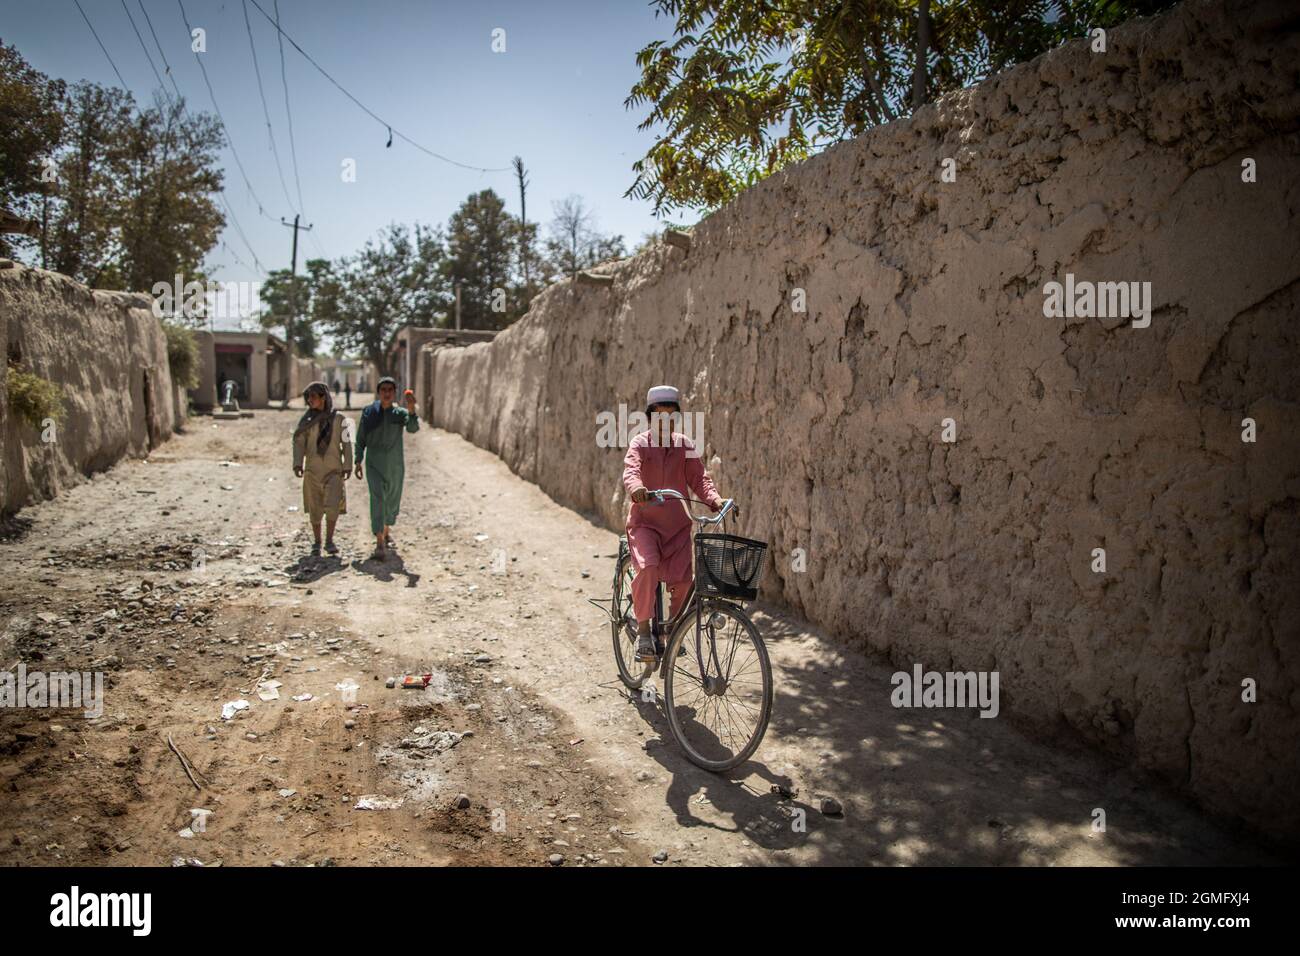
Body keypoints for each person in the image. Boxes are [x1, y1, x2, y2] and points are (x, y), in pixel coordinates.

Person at [622, 385, 732, 661]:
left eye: (671, 416)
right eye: (660, 416)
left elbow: (699, 479)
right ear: (650, 418)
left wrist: (714, 499)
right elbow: (631, 470)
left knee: (684, 582)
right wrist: (636, 487)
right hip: (645, 524)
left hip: (677, 527)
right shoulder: (640, 444)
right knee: (647, 568)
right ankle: (645, 632)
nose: (665, 422)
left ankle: (670, 632)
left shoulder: (684, 445)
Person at [354, 377, 419, 560]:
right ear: (378, 392)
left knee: (391, 502)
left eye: (390, 389)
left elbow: (413, 428)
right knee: (378, 500)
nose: (387, 392)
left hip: (395, 467)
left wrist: (412, 408)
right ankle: (380, 542)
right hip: (374, 464)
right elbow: (360, 439)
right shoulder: (368, 413)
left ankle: (386, 528)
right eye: (383, 389)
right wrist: (358, 460)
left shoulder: (399, 413)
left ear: (394, 392)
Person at [292, 381, 352, 556]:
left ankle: (329, 540)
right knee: (315, 506)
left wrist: (347, 465)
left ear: (323, 398)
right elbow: (298, 442)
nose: (310, 400)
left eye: (313, 396)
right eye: (308, 397)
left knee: (333, 505)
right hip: (313, 470)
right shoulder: (306, 421)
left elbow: (347, 444)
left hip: (334, 470)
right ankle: (317, 541)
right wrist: (297, 463)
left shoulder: (340, 419)